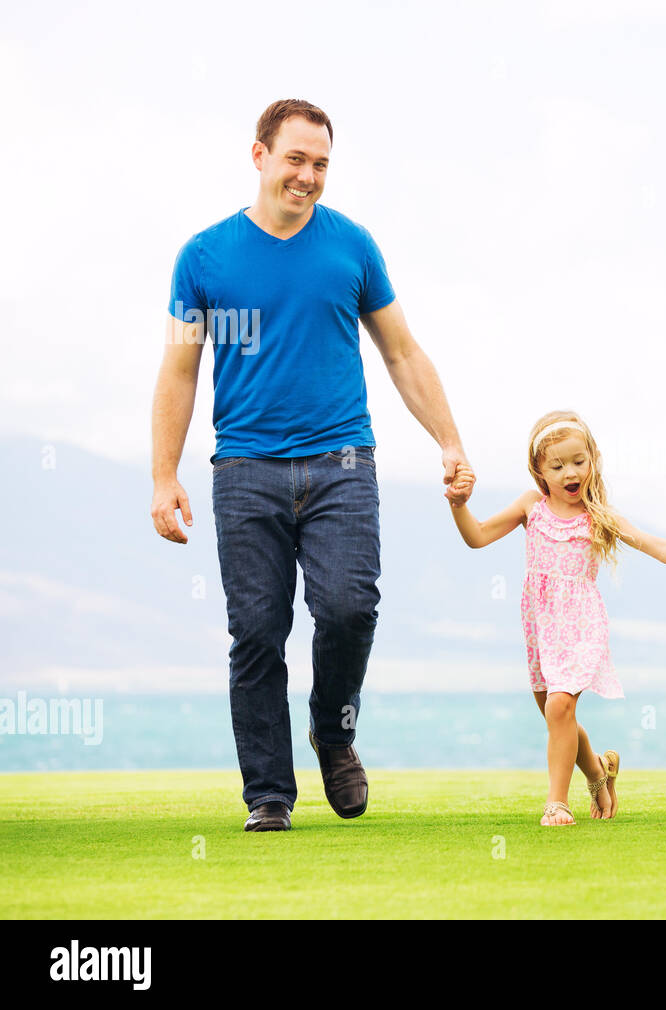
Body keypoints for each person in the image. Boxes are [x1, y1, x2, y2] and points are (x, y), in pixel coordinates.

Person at [150, 99, 471, 832]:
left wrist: (448, 439)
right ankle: (269, 793)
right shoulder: (203, 257)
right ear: (259, 155)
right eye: (295, 158)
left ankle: (334, 728)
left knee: (350, 608)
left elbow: (401, 351)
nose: (308, 175)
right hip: (245, 470)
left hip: (343, 464)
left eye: (321, 163)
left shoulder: (351, 247)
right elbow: (178, 370)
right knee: (258, 630)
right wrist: (163, 476)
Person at [446, 411, 666, 826]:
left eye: (578, 461)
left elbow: (655, 545)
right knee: (554, 713)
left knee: (560, 707)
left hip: (580, 623)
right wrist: (459, 506)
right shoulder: (531, 507)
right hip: (540, 625)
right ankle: (598, 772)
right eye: (556, 466)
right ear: (539, 470)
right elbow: (478, 536)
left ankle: (556, 802)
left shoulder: (599, 516)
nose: (569, 472)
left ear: (592, 459)